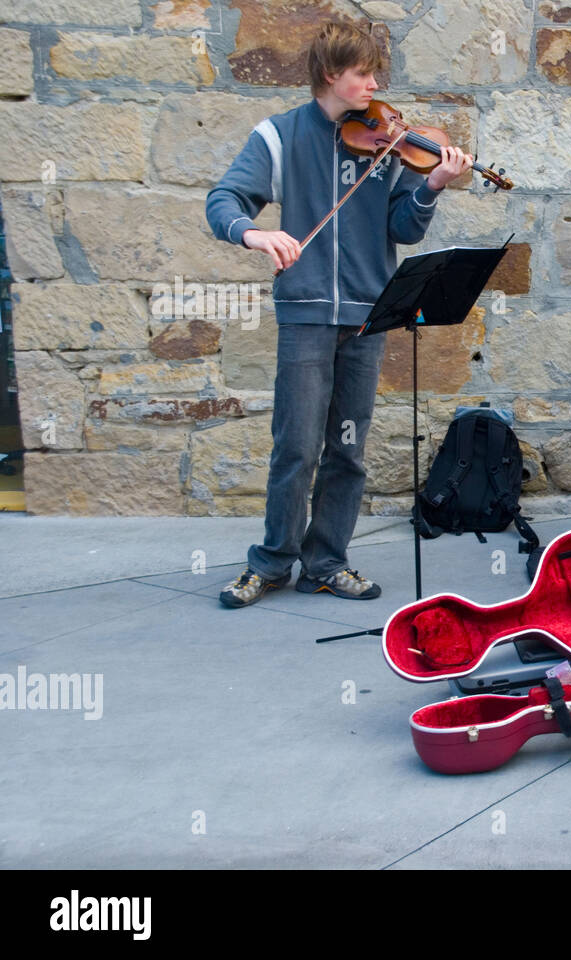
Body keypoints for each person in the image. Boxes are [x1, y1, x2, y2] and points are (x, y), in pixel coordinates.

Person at [205, 22, 472, 608]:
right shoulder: (278, 137)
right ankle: (273, 562)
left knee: (348, 448)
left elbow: (402, 226)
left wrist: (432, 185)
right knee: (296, 445)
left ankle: (326, 560)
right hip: (304, 314)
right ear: (331, 76)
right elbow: (223, 200)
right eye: (363, 74)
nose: (375, 85)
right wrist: (254, 234)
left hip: (365, 315)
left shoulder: (388, 143)